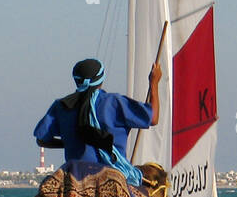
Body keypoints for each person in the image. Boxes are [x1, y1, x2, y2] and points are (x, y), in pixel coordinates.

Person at [34, 58, 160, 188]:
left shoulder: (61, 106)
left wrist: (70, 141)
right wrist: (154, 83)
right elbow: (153, 118)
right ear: (101, 78)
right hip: (111, 179)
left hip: (74, 181)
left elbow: (41, 140)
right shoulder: (114, 102)